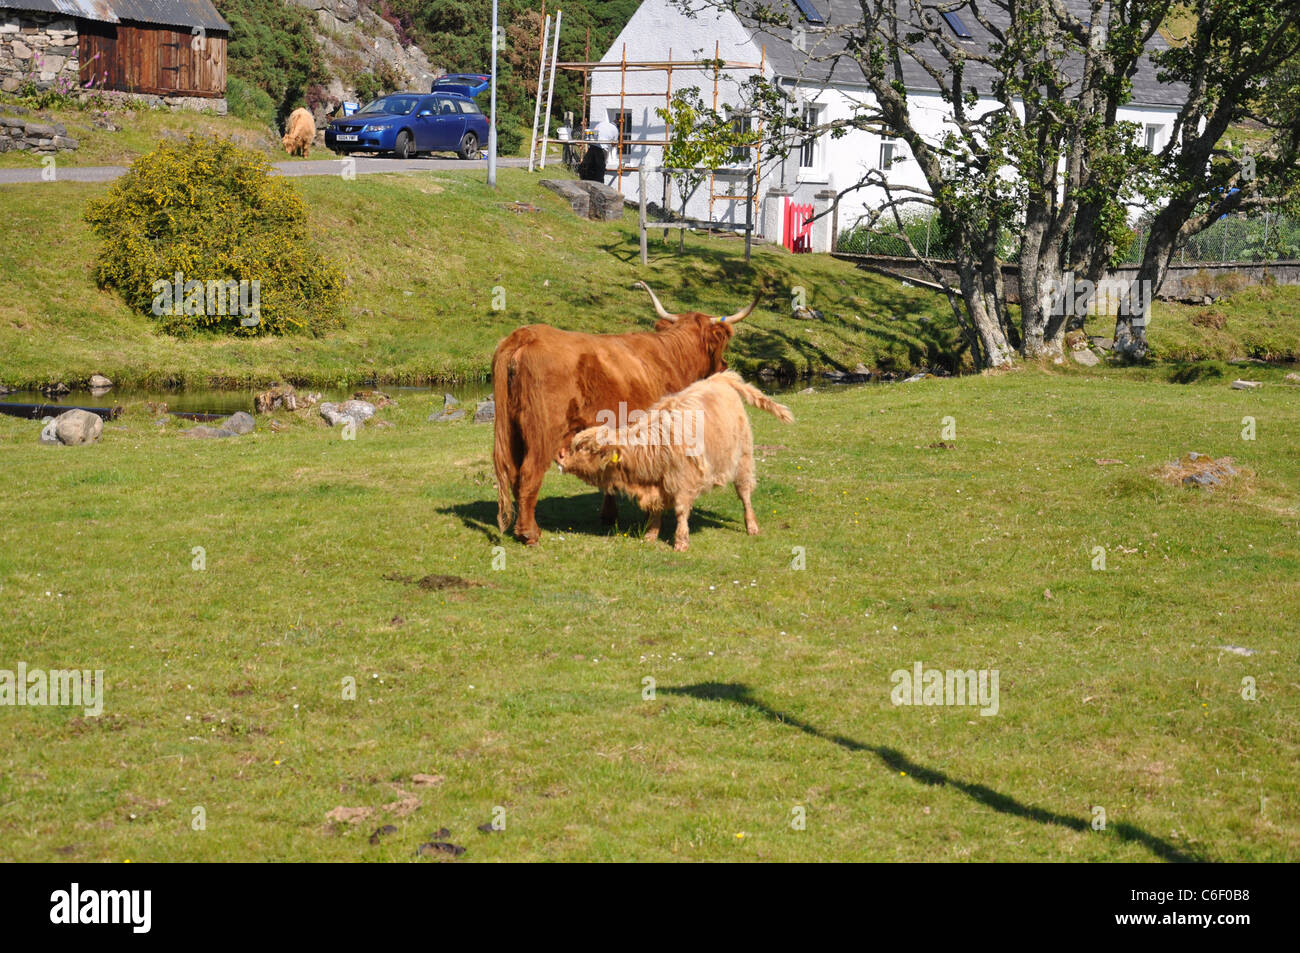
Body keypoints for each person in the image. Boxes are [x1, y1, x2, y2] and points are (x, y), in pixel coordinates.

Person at [578, 114, 621, 183]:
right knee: (600, 170)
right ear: (617, 125)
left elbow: (594, 132)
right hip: (602, 149)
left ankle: (584, 180)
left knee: (589, 166)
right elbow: (614, 144)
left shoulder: (602, 123)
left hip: (593, 146)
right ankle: (600, 185)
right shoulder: (615, 130)